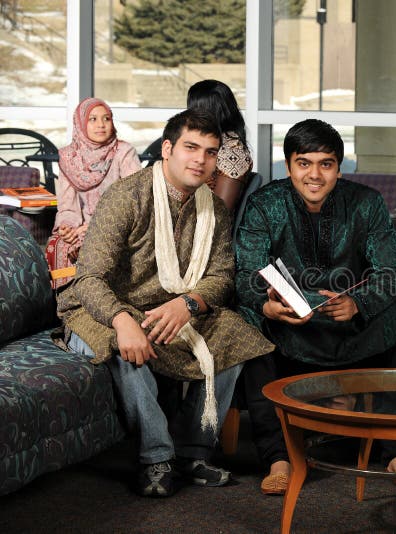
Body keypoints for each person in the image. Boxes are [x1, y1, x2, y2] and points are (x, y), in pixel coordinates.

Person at [57, 109, 274, 498]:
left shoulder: (213, 208)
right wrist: (121, 319)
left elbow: (221, 276)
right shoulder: (126, 197)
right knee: (128, 345)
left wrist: (188, 303)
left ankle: (194, 452)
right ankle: (156, 458)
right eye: (191, 147)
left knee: (236, 333)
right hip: (104, 307)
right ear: (168, 149)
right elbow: (89, 278)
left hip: (172, 309)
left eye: (210, 152)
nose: (200, 160)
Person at [235, 119, 396, 495]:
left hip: (350, 325)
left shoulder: (367, 202)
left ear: (339, 168)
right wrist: (267, 307)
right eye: (304, 163)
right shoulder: (265, 203)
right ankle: (278, 459)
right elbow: (247, 273)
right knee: (250, 322)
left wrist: (359, 303)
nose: (315, 175)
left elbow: (390, 270)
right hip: (289, 328)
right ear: (288, 166)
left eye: (326, 164)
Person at [47, 97, 141, 286]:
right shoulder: (69, 157)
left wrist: (93, 226)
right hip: (79, 227)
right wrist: (67, 228)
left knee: (92, 246)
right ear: (80, 123)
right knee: (58, 245)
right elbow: (67, 206)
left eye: (107, 118)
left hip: (117, 223)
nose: (101, 125)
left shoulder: (123, 152)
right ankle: (66, 298)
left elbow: (136, 200)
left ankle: (95, 295)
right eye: (93, 119)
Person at [186, 79, 253, 213]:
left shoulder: (232, 152)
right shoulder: (206, 143)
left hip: (202, 223)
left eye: (192, 110)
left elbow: (218, 213)